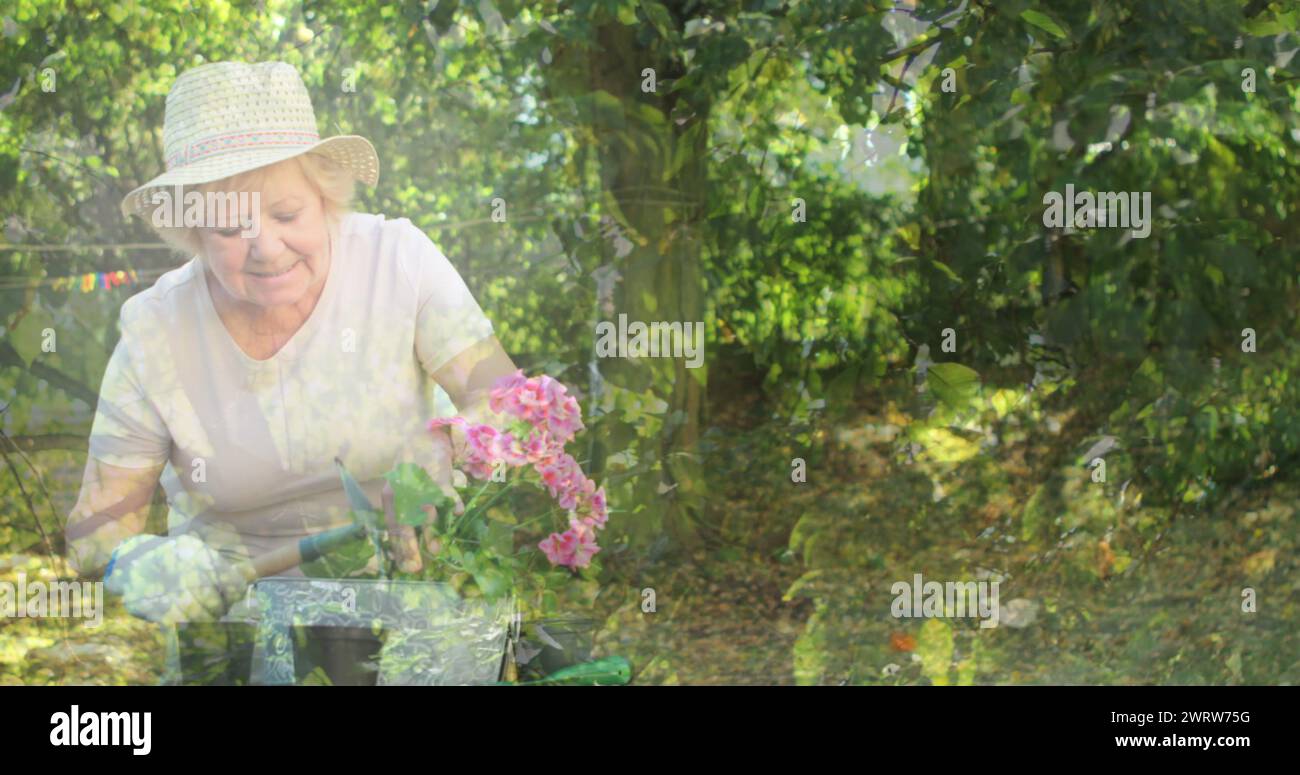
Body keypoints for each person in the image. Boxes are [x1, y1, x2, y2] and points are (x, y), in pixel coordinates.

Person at [64, 61, 518, 682]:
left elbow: (510, 400)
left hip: (416, 599)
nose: (267, 247)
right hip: (240, 626)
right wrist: (137, 561)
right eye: (231, 225)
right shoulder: (156, 329)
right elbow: (93, 530)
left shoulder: (399, 261)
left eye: (286, 214)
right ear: (192, 228)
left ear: (325, 199)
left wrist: (456, 442)